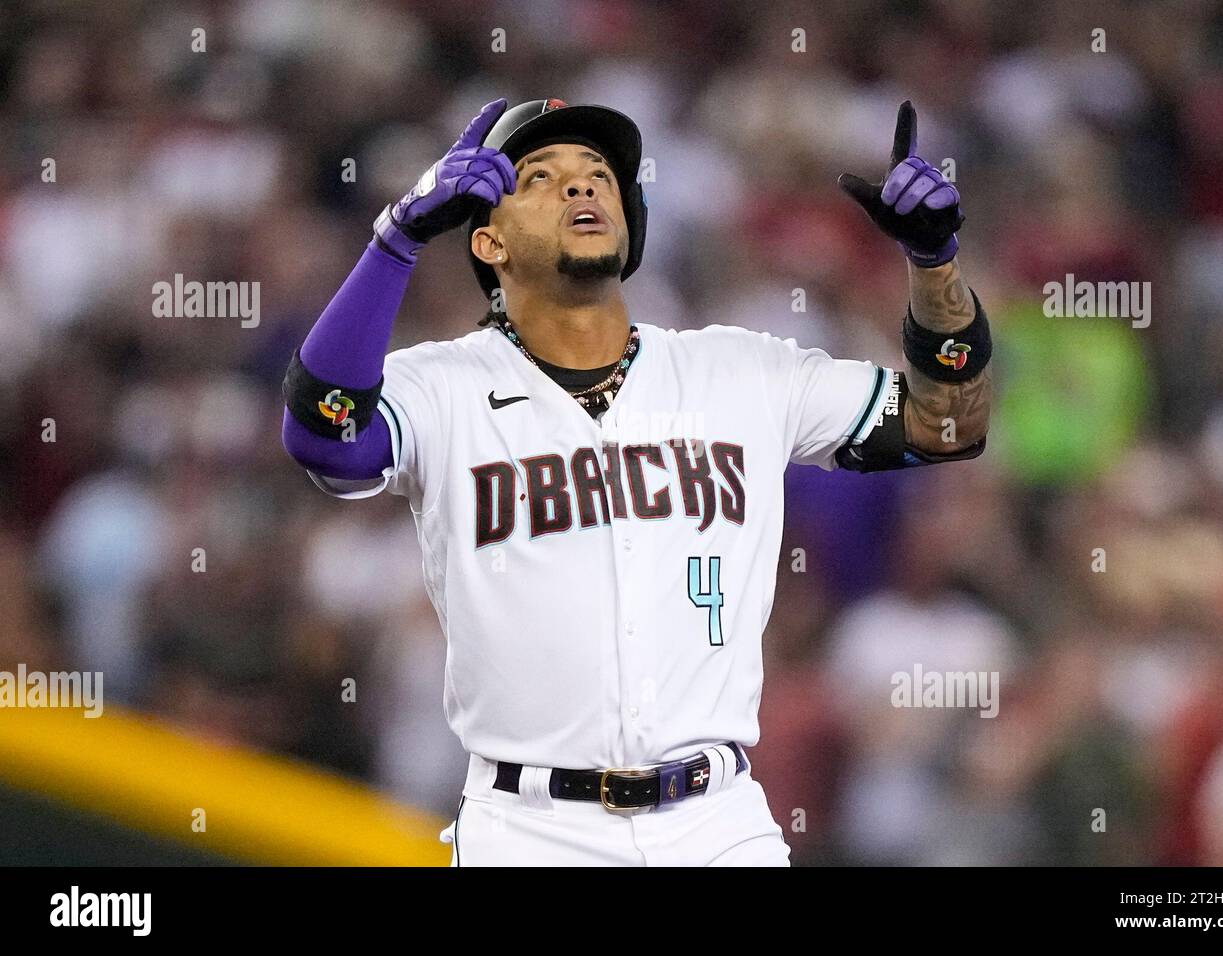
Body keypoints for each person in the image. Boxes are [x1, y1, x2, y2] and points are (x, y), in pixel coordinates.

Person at [280, 96, 992, 866]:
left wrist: (934, 265)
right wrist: (397, 238)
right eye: (541, 178)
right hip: (530, 829)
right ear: (487, 239)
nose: (581, 187)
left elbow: (946, 422)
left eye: (599, 176)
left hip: (719, 825)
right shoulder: (442, 386)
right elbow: (326, 435)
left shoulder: (739, 369)